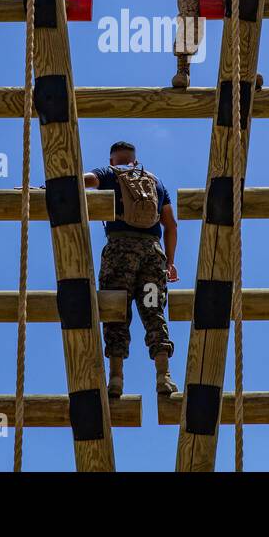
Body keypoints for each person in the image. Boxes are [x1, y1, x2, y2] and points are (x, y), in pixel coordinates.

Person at [84, 141, 179, 396]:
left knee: (116, 312)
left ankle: (115, 380)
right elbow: (171, 224)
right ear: (135, 160)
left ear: (113, 160)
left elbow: (86, 181)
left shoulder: (109, 173)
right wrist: (169, 263)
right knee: (153, 311)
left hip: (120, 253)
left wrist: (58, 184)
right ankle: (163, 376)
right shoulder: (155, 182)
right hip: (152, 255)